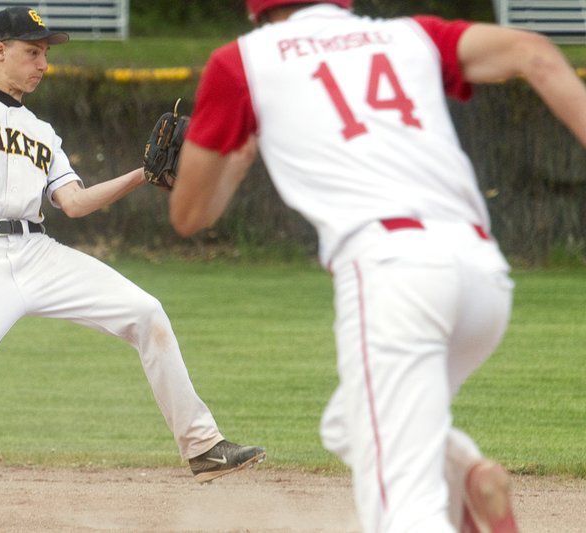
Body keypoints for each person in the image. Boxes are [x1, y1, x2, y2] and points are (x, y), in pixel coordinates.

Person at [170, 1, 586, 531]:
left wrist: (233, 163)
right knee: (349, 423)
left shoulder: (240, 63)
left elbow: (188, 215)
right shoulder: (410, 35)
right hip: (482, 271)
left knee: (404, 511)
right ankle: (466, 477)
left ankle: (446, 493)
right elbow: (534, 52)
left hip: (394, 273)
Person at [0, 6, 264, 528]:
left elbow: (74, 204)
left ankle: (203, 447)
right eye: (34, 52)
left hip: (37, 252)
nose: (43, 64)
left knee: (146, 312)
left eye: (46, 53)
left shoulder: (42, 131)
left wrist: (142, 176)